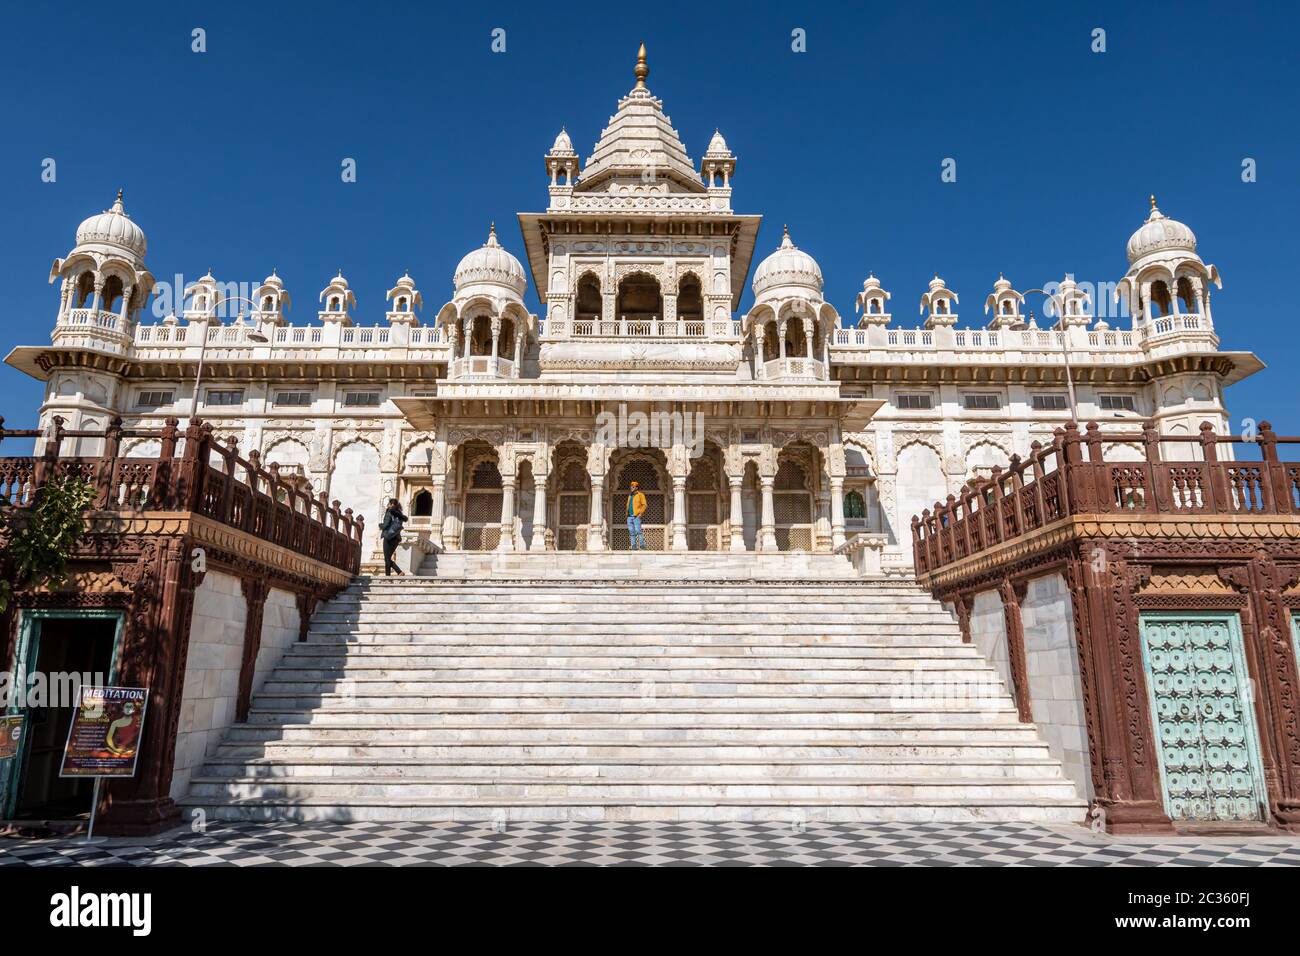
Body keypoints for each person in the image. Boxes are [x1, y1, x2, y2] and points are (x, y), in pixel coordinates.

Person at [379, 498, 407, 575]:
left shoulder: (389, 512)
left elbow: (386, 525)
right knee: (388, 558)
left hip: (389, 537)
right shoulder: (399, 514)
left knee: (387, 558)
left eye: (389, 503)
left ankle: (398, 572)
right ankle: (388, 576)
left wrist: (380, 525)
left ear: (391, 504)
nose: (388, 505)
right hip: (396, 538)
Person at [626, 480, 647, 550]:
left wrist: (640, 513)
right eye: (631, 486)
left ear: (636, 488)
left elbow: (644, 505)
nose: (631, 488)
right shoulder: (630, 495)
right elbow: (628, 505)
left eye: (633, 487)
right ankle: (634, 546)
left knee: (638, 531)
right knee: (631, 532)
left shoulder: (640, 495)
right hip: (629, 516)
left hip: (636, 516)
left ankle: (642, 545)